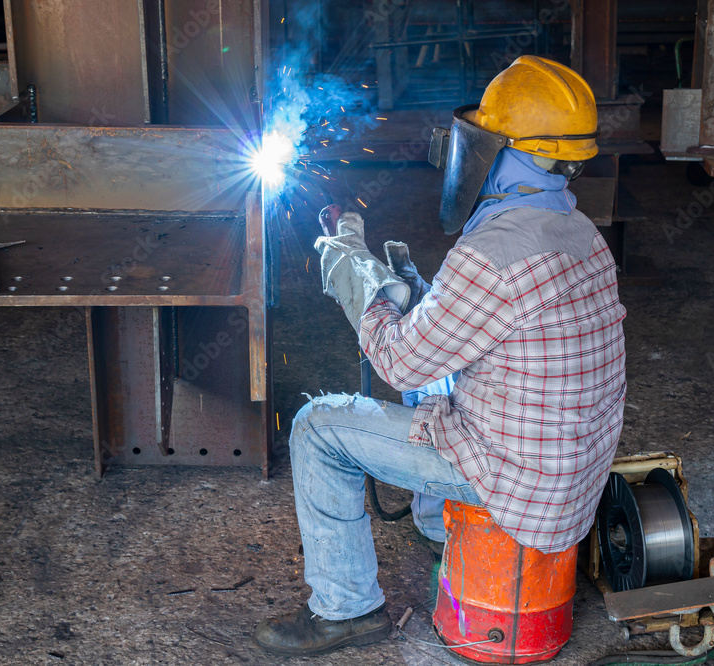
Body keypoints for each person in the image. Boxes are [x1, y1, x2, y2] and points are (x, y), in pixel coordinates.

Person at [253, 55, 627, 657]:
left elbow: (396, 362)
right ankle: (435, 529)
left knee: (317, 428)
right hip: (571, 482)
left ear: (506, 150)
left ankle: (346, 610)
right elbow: (495, 331)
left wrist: (368, 288)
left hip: (514, 486)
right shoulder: (583, 236)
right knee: (436, 379)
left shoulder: (492, 252)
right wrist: (420, 298)